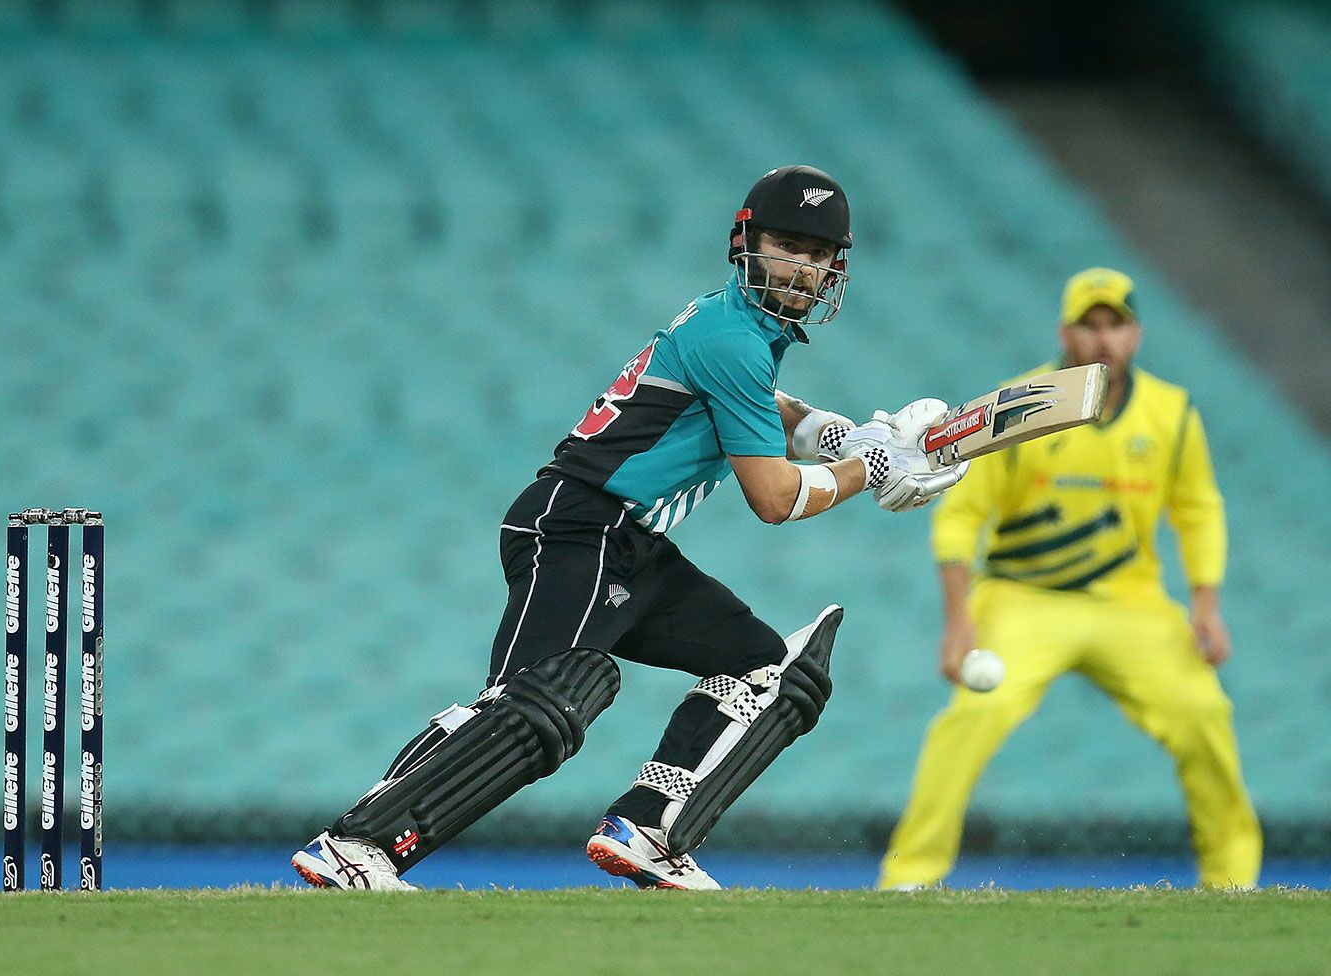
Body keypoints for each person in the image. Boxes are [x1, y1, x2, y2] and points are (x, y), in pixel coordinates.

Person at [289, 165, 968, 892]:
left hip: (629, 543)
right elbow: (773, 500)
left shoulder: (738, 328)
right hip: (580, 526)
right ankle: (354, 846)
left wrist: (840, 439)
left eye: (816, 251)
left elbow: (762, 404)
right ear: (746, 241)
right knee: (537, 703)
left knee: (765, 670)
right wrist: (870, 468)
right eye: (786, 244)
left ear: (837, 263)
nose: (800, 265)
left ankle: (648, 830)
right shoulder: (729, 336)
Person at [877, 267, 1262, 890]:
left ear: (1136, 334)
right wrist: (959, 619)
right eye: (1090, 325)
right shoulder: (1018, 405)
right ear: (1066, 333)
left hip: (1130, 604)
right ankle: (910, 878)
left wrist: (1207, 602)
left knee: (1202, 712)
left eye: (1117, 325)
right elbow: (961, 515)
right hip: (1022, 598)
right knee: (971, 717)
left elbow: (1198, 509)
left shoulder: (1172, 413)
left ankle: (1234, 880)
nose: (1103, 340)